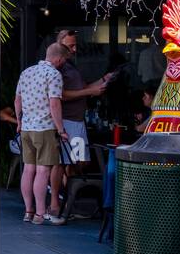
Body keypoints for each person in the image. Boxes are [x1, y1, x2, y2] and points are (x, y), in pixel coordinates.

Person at [52, 29, 116, 213]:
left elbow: (83, 88)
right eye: (70, 45)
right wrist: (89, 92)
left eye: (75, 45)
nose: (74, 49)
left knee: (78, 161)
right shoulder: (59, 67)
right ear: (59, 45)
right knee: (63, 162)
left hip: (77, 121)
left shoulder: (71, 66)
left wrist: (103, 80)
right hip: (67, 119)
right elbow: (60, 95)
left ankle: (66, 198)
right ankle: (56, 201)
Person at [15, 43, 69, 225]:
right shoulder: (54, 74)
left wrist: (19, 121)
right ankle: (39, 213)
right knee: (43, 171)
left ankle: (28, 211)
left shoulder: (26, 72)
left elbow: (17, 100)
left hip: (27, 128)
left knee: (28, 169)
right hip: (45, 128)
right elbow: (54, 104)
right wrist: (61, 129)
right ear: (59, 59)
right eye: (64, 60)